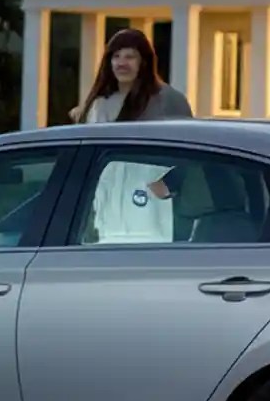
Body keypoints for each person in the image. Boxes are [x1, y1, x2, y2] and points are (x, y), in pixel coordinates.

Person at [70, 28, 194, 244]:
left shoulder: (166, 99)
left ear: (143, 61)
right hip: (105, 210)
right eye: (116, 56)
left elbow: (191, 150)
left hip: (148, 209)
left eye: (130, 56)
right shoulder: (99, 104)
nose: (121, 63)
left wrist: (169, 184)